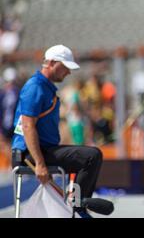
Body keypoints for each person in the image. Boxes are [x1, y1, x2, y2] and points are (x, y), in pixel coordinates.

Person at [10, 45, 104, 217]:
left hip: (41, 151)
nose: (68, 72)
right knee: (91, 156)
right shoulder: (35, 87)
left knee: (88, 156)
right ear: (52, 63)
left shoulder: (46, 87)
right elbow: (27, 126)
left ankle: (77, 202)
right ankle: (78, 205)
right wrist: (40, 164)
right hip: (28, 154)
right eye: (66, 67)